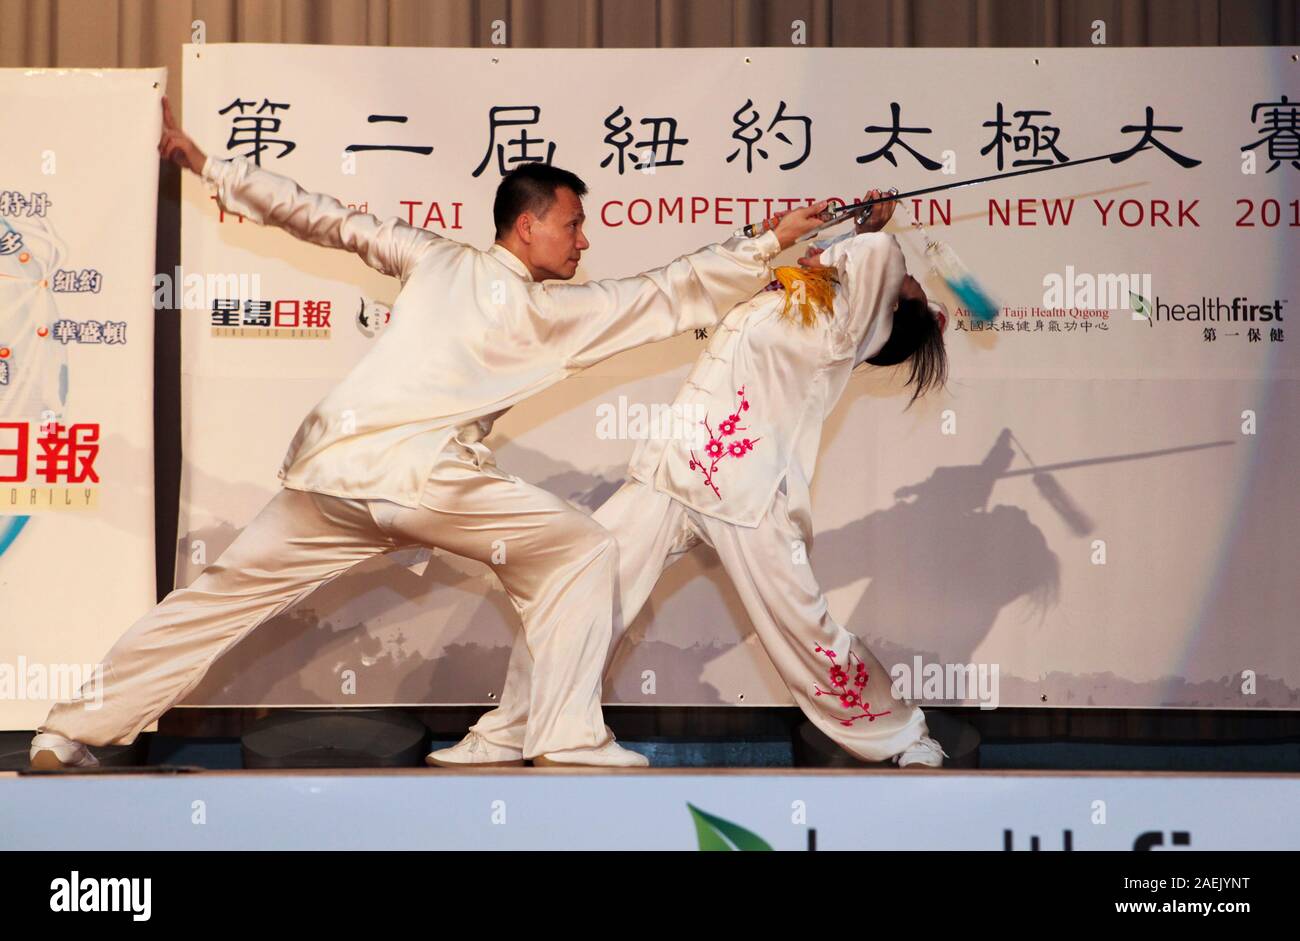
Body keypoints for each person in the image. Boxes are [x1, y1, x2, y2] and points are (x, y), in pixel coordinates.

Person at [28, 96, 830, 771]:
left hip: (330, 474)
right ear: (526, 227)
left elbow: (323, 217)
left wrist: (209, 164)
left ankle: (70, 728)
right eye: (573, 224)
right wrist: (769, 242)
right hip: (422, 484)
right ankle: (563, 732)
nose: (585, 240)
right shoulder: (559, 312)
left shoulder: (434, 259)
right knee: (584, 550)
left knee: (215, 599)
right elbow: (671, 291)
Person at [435, 191, 952, 768]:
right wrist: (850, 227)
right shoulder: (807, 301)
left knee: (806, 633)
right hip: (672, 471)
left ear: (887, 310)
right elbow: (855, 259)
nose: (902, 277)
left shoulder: (850, 329)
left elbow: (879, 258)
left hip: (746, 496)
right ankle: (514, 728)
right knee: (576, 589)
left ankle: (904, 736)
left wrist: (873, 226)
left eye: (907, 288)